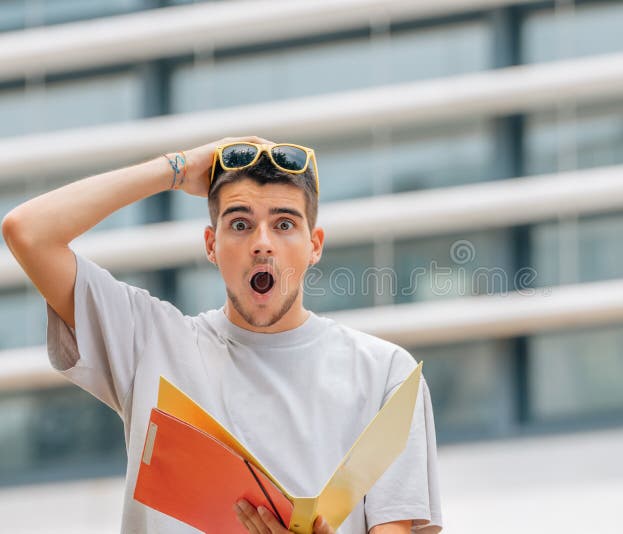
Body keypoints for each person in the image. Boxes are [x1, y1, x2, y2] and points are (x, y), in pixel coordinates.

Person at [1, 136, 442, 534]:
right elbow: (28, 232)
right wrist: (178, 168)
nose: (262, 243)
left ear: (315, 245)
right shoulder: (151, 343)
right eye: (240, 224)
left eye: (285, 224)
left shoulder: (386, 375)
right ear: (211, 244)